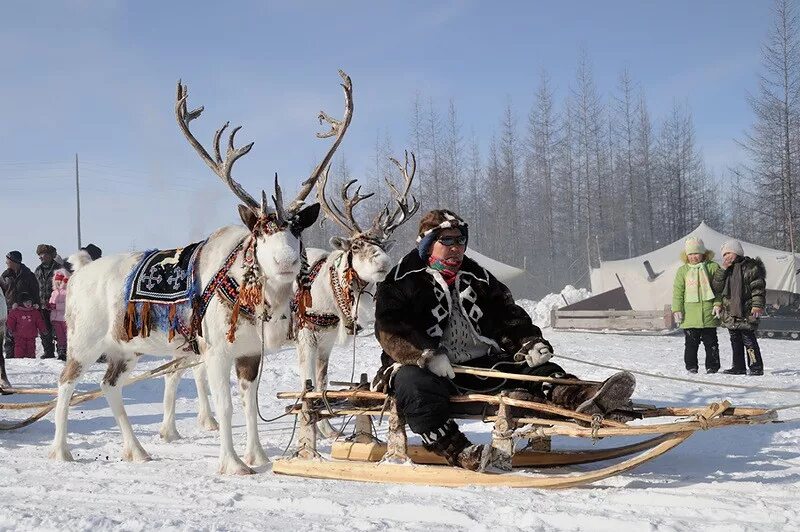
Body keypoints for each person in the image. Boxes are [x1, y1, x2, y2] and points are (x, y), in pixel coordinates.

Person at [374, 209, 636, 472]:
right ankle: (460, 451)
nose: (456, 247)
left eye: (460, 240)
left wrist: (529, 341)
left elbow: (507, 315)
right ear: (429, 243)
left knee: (536, 369)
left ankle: (585, 401)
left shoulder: (479, 277)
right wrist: (425, 355)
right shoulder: (401, 280)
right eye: (447, 240)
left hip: (481, 365)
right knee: (413, 386)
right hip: (427, 370)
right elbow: (390, 329)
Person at [711, 239, 766, 376]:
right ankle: (738, 366)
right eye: (724, 254)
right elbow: (717, 287)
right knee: (735, 341)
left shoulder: (751, 267)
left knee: (749, 341)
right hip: (730, 312)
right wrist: (723, 270)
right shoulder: (725, 270)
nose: (727, 256)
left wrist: (757, 305)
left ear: (737, 252)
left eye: (729, 253)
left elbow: (758, 288)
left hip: (746, 311)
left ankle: (755, 366)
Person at [671, 237, 722, 374]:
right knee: (691, 343)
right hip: (690, 314)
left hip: (708, 313)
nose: (693, 257)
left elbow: (719, 289)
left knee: (711, 343)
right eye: (691, 254)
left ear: (703, 253)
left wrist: (718, 303)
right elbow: (678, 291)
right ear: (686, 255)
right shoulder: (683, 270)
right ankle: (691, 366)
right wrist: (677, 309)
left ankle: (712, 366)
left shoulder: (712, 267)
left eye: (696, 253)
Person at [0, 251, 40, 360]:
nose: (6, 262)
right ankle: (9, 356)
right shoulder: (5, 275)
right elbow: (2, 292)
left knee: (23, 334)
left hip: (24, 310)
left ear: (14, 261)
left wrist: (36, 304)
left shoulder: (28, 275)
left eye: (8, 260)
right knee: (9, 333)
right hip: (10, 309)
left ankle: (26, 357)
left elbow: (35, 291)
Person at [34, 244, 60, 359]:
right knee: (45, 330)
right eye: (39, 255)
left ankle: (62, 351)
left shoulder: (59, 269)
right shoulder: (38, 270)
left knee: (59, 329)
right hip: (42, 305)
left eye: (43, 254)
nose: (40, 257)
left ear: (50, 255)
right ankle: (48, 351)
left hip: (57, 306)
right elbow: (35, 287)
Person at [7, 292, 47, 358]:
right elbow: (11, 321)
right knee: (19, 348)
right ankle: (19, 359)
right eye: (25, 302)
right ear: (21, 303)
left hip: (31, 335)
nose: (28, 304)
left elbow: (39, 321)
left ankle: (31, 359)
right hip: (19, 336)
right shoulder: (16, 312)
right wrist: (10, 329)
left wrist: (43, 329)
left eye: (29, 302)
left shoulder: (35, 312)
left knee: (31, 348)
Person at [48, 269, 70, 361]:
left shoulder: (67, 292)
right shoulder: (54, 292)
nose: (58, 283)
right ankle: (61, 351)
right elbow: (51, 302)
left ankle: (68, 351)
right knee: (60, 336)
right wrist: (49, 305)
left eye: (60, 281)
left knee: (67, 336)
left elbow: (68, 305)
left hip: (64, 318)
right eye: (56, 281)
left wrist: (56, 306)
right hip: (55, 318)